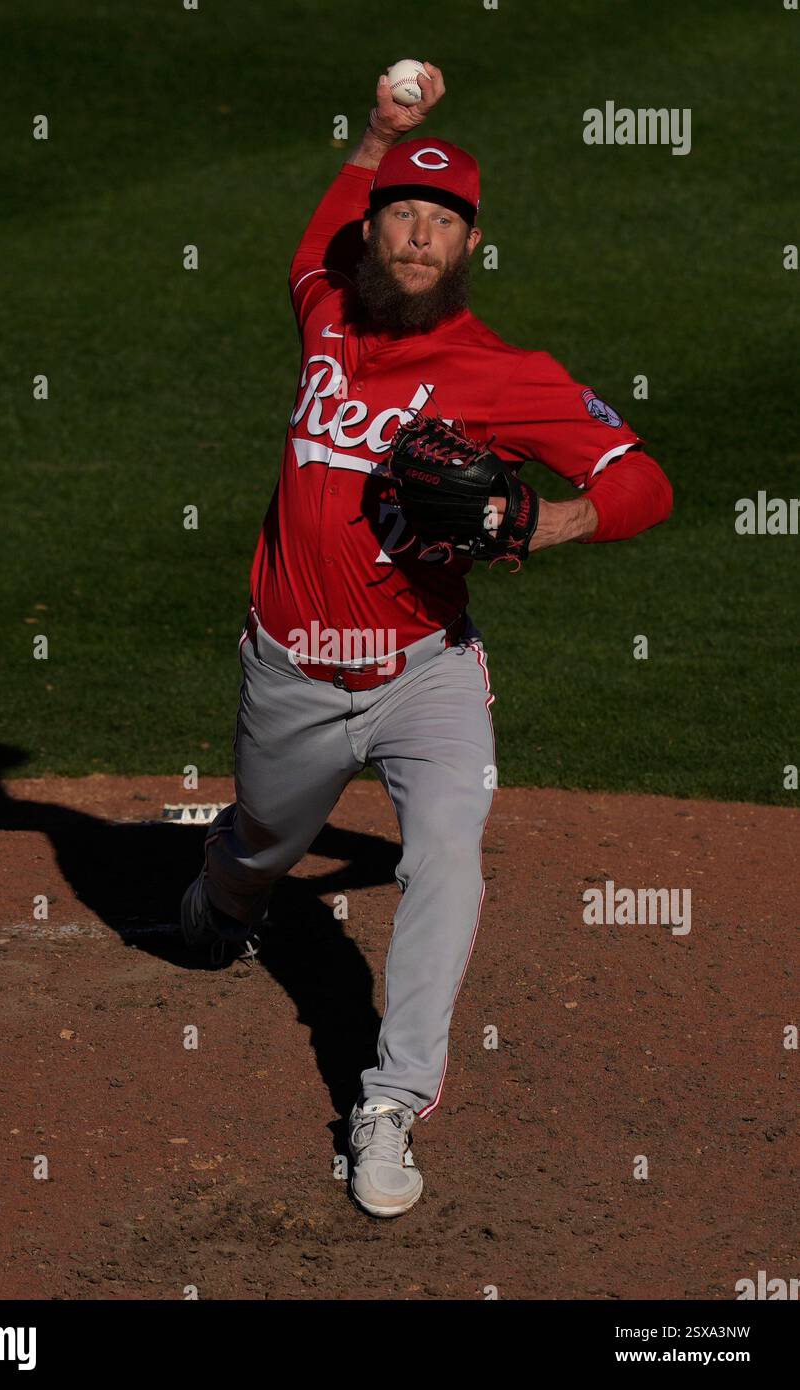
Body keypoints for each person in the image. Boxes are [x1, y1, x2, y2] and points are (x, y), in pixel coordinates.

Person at [181, 63, 673, 1218]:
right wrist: (377, 131)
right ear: (375, 224)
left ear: (468, 245)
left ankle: (391, 1101)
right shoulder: (327, 309)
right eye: (401, 210)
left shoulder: (508, 374)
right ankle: (230, 883)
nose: (415, 235)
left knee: (447, 853)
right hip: (291, 673)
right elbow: (312, 240)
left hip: (426, 674)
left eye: (441, 221)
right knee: (259, 846)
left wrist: (545, 520)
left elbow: (641, 480)